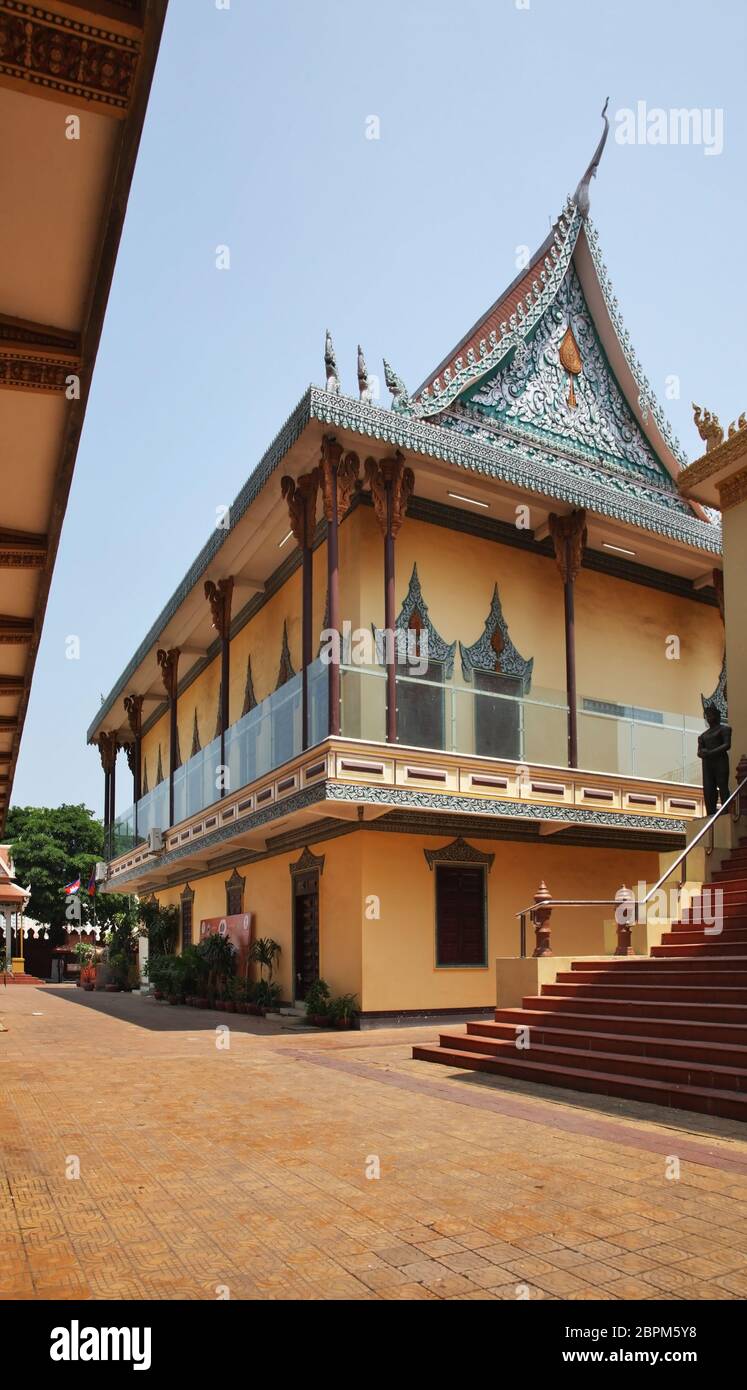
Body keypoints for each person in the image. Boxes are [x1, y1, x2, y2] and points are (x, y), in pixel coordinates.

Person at [697, 704, 731, 816]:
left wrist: (710, 752)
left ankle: (726, 810)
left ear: (716, 716)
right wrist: (702, 753)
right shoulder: (703, 736)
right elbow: (699, 752)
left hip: (720, 761)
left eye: (710, 715)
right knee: (708, 788)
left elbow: (726, 745)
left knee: (722, 786)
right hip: (707, 764)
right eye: (707, 716)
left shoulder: (724, 729)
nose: (708, 718)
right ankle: (710, 812)